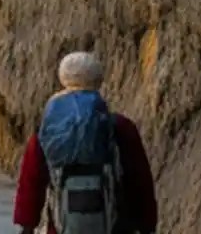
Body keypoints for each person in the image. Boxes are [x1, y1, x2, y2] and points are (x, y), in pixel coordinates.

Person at [13, 52, 158, 234]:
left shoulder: (48, 130)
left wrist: (27, 227)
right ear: (98, 81)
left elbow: (31, 183)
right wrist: (147, 226)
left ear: (63, 79)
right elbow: (140, 182)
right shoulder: (120, 127)